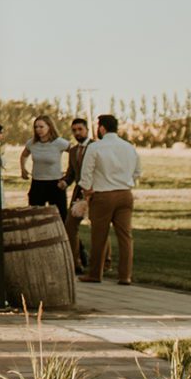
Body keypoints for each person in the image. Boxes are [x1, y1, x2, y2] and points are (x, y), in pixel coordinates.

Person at [78, 113, 142, 285]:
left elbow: (86, 174)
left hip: (103, 195)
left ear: (102, 128)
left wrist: (87, 191)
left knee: (99, 235)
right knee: (125, 236)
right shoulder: (129, 147)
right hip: (125, 194)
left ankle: (95, 274)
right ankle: (125, 276)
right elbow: (137, 172)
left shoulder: (96, 147)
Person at [19, 114, 71, 216]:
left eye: (41, 127)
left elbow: (75, 154)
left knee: (60, 216)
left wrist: (69, 174)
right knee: (35, 215)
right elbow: (24, 155)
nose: (38, 129)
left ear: (49, 127)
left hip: (55, 184)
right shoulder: (32, 143)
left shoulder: (59, 142)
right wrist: (23, 169)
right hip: (37, 184)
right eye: (36, 127)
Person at [62, 116, 91, 272]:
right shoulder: (73, 151)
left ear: (87, 129)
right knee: (70, 226)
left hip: (94, 191)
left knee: (99, 227)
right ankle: (75, 263)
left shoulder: (95, 146)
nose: (77, 133)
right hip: (78, 192)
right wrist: (64, 182)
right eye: (74, 130)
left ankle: (105, 263)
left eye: (80, 129)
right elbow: (71, 173)